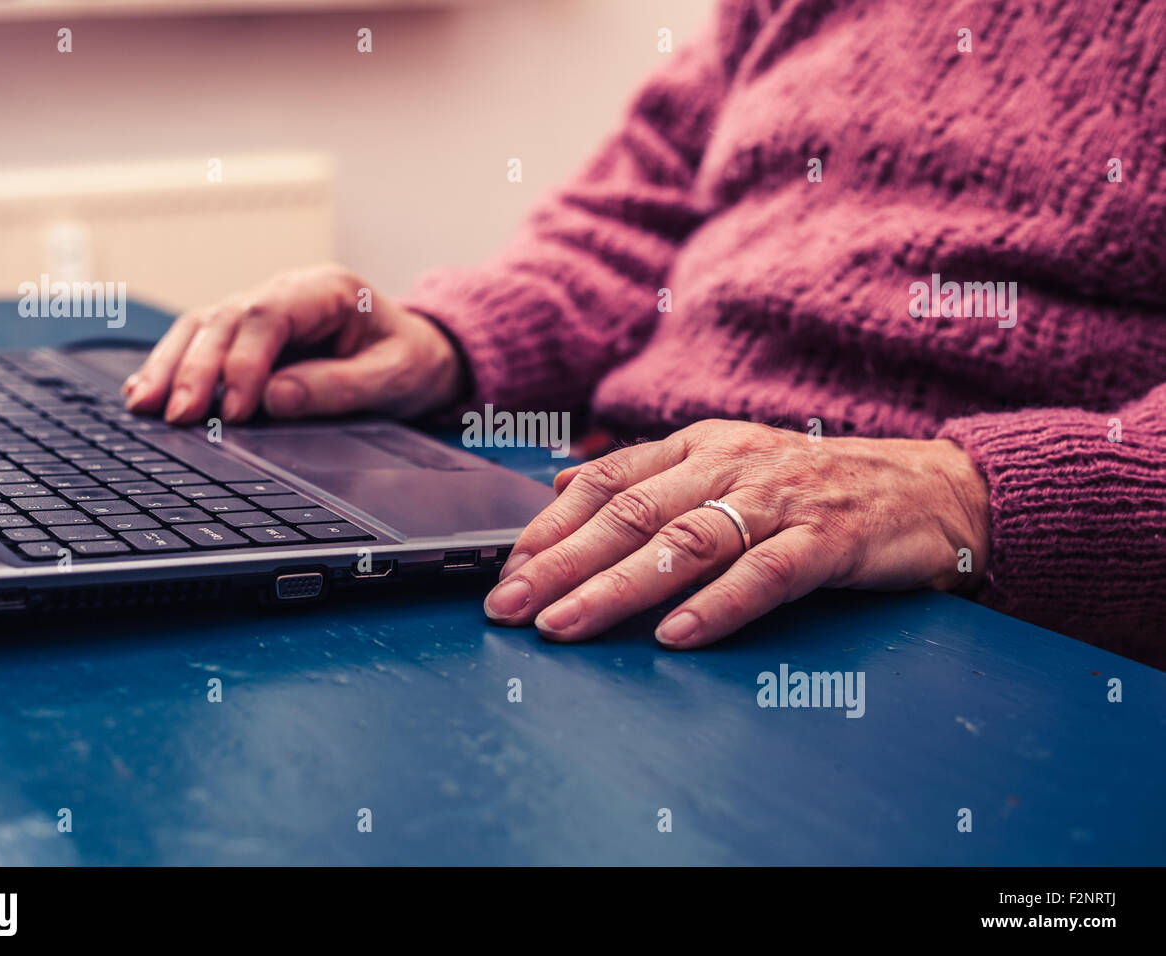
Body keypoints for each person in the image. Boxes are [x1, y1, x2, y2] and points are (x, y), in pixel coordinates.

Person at [123, 0, 1166, 662]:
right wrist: (449, 338)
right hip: (613, 503)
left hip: (971, 619)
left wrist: (956, 494)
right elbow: (632, 222)